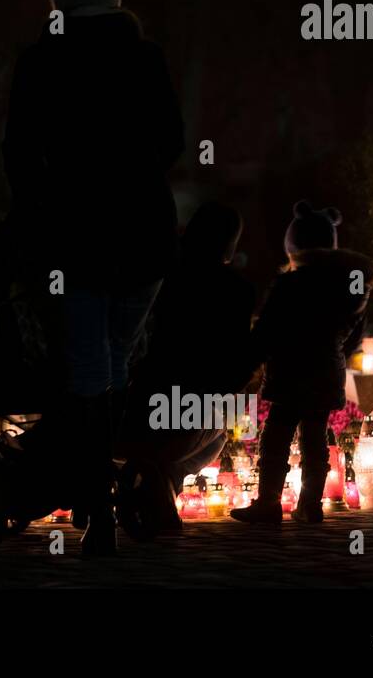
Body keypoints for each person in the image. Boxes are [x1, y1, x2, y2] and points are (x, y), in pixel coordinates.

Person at [2, 0, 185, 555]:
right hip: (141, 235)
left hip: (71, 239)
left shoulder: (41, 62)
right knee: (112, 359)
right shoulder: (146, 57)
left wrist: (43, 207)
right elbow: (171, 145)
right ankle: (108, 490)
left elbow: (19, 156)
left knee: (89, 365)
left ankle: (96, 506)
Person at [231, 201, 373, 525]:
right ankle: (310, 503)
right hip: (326, 371)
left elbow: (267, 331)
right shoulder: (349, 288)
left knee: (276, 436)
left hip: (290, 370)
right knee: (314, 436)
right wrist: (335, 353)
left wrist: (245, 367)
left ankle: (268, 501)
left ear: (294, 246)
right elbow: (354, 336)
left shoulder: (291, 284)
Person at [121, 202, 258, 529]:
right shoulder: (237, 291)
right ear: (230, 244)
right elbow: (236, 361)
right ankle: (164, 480)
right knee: (223, 425)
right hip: (187, 410)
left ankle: (159, 481)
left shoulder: (161, 279)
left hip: (138, 402)